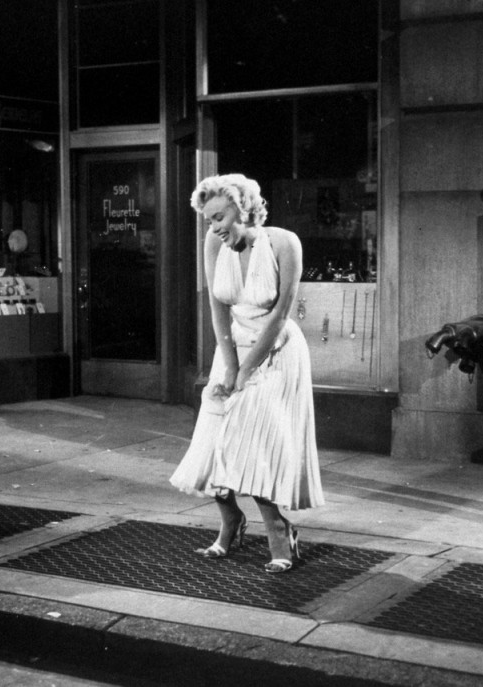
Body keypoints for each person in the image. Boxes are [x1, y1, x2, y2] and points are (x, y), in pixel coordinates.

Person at [170, 173, 324, 572]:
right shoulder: (212, 244)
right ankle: (231, 521)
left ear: (244, 208)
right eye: (208, 220)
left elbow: (282, 311)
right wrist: (229, 366)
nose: (214, 227)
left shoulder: (283, 242)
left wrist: (248, 369)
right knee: (213, 440)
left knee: (254, 444)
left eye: (219, 217)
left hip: (277, 352)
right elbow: (217, 309)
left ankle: (277, 530)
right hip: (232, 349)